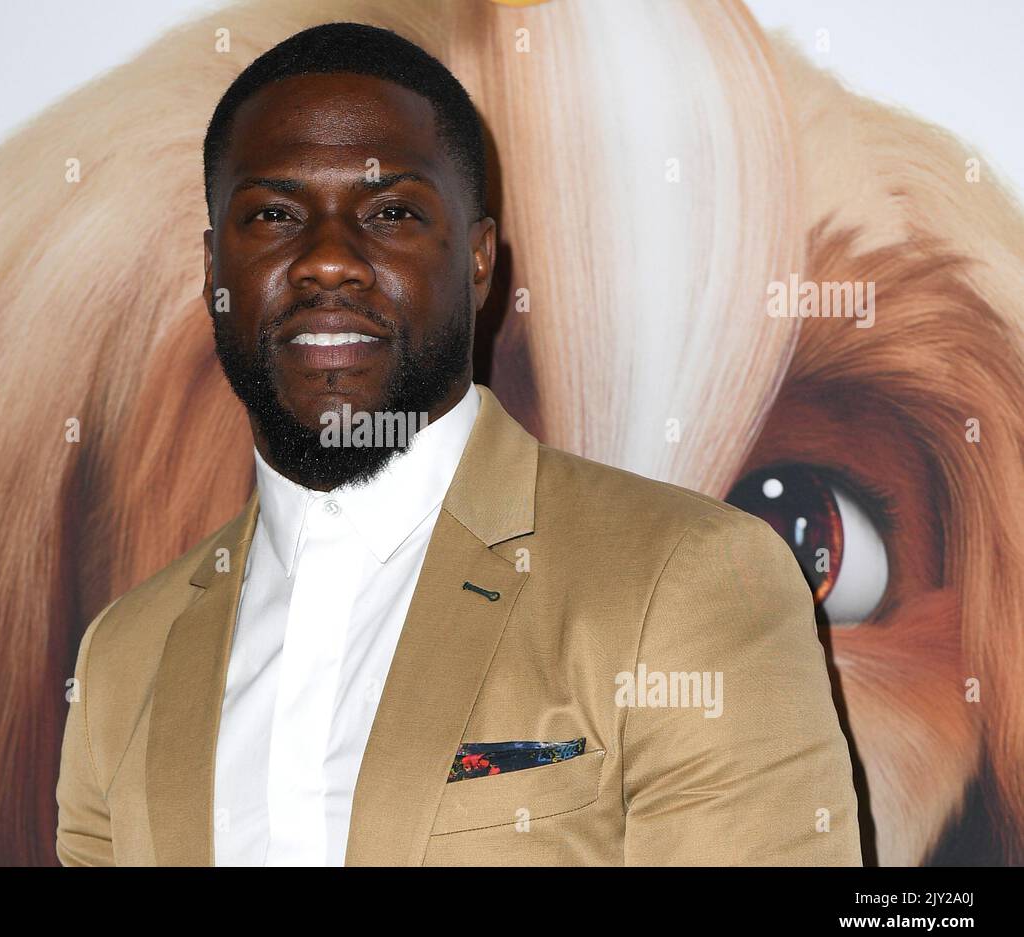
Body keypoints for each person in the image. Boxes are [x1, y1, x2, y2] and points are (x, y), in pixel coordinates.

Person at [54, 21, 862, 866]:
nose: (328, 262)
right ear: (212, 269)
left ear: (479, 261)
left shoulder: (693, 581)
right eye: (275, 214)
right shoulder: (122, 658)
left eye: (391, 212)